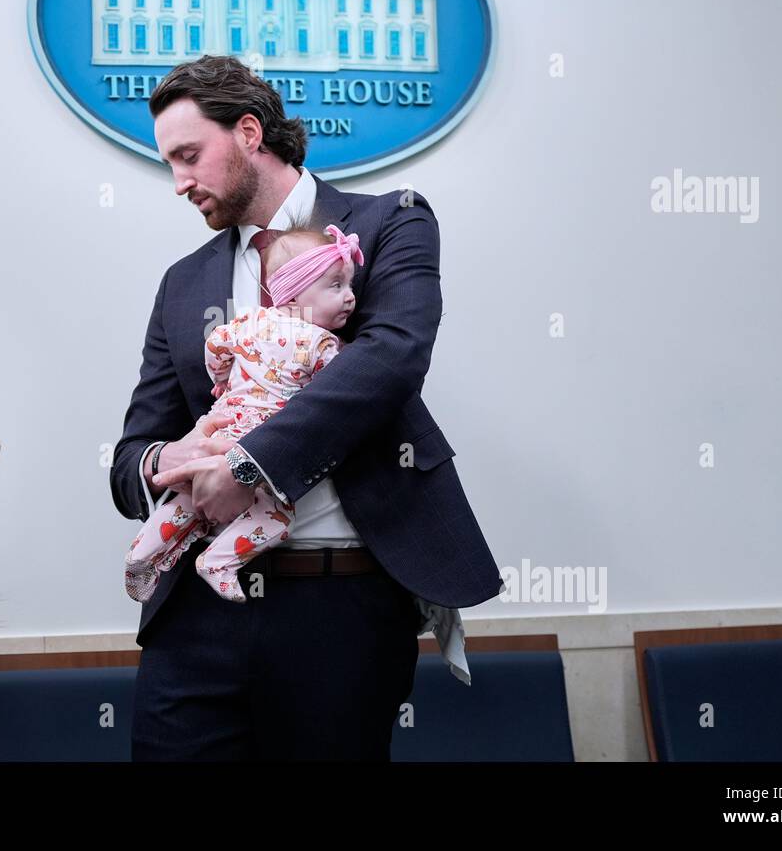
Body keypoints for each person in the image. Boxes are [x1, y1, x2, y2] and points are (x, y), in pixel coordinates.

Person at [110, 55, 505, 761]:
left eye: (189, 157)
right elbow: (134, 452)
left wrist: (249, 465)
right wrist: (162, 461)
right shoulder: (182, 282)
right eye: (170, 164)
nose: (179, 184)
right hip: (192, 622)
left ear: (251, 132)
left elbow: (389, 358)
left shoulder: (390, 222)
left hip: (341, 612)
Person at [124, 224, 363, 603]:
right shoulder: (323, 343)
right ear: (295, 290)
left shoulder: (248, 321)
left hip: (224, 423)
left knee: (189, 498)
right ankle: (218, 563)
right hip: (262, 441)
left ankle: (143, 550)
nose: (350, 298)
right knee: (277, 519)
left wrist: (222, 381)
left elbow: (216, 345)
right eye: (336, 286)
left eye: (349, 286)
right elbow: (328, 399)